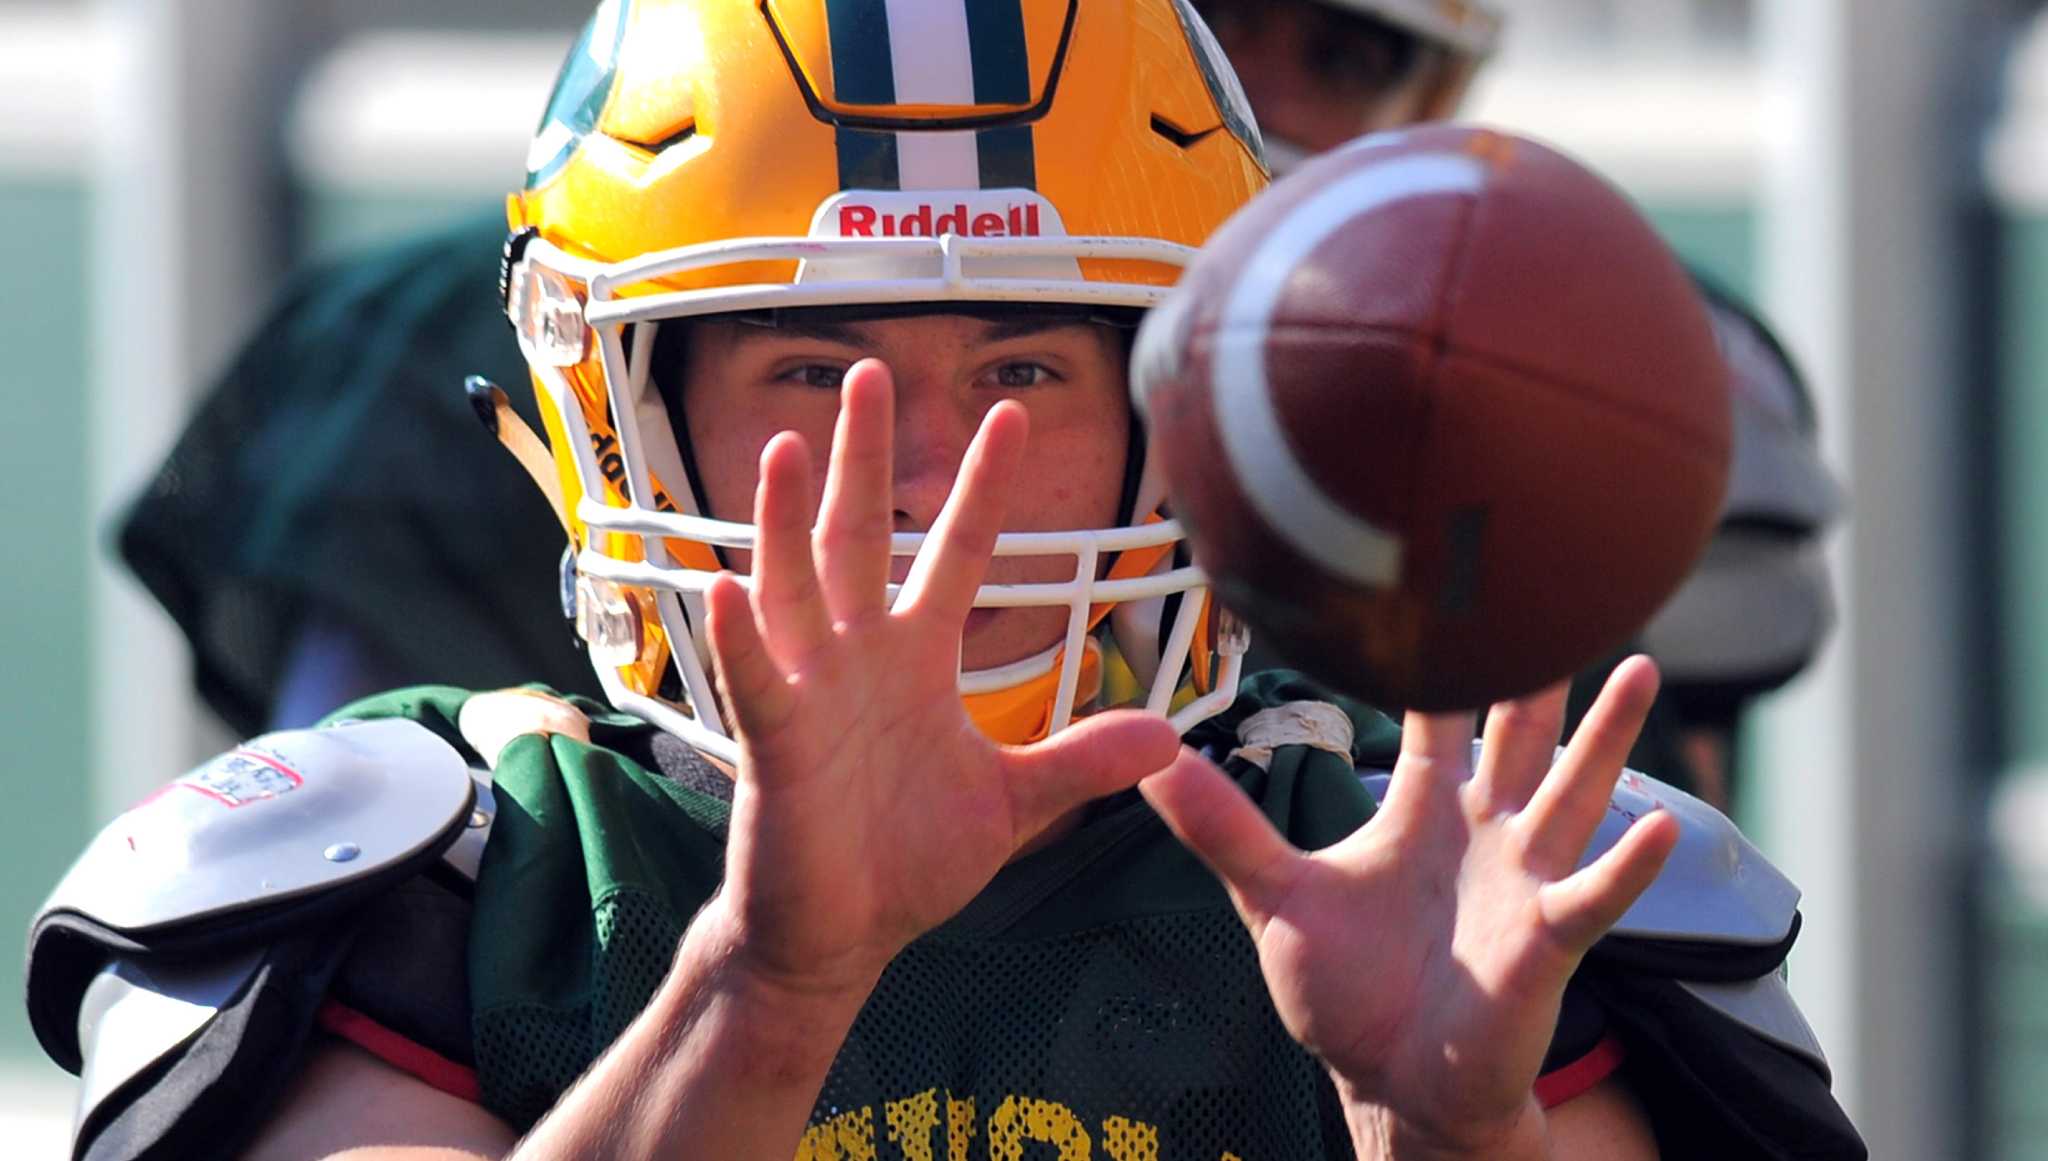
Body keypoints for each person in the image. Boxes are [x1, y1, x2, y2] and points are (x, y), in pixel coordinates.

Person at [31, 2, 1862, 1159]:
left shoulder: (1392, 867)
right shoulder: (460, 877)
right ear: (610, 404)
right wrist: (769, 987)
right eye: (815, 373)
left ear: (1181, 410)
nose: (924, 480)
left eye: (1021, 375)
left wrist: (1446, 1124)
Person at [1196, 0, 1843, 808]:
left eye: (1346, 59)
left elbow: (1666, 856)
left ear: (1433, 94)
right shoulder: (1008, 287)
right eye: (1227, 24)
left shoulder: (1599, 332)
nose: (1270, 96)